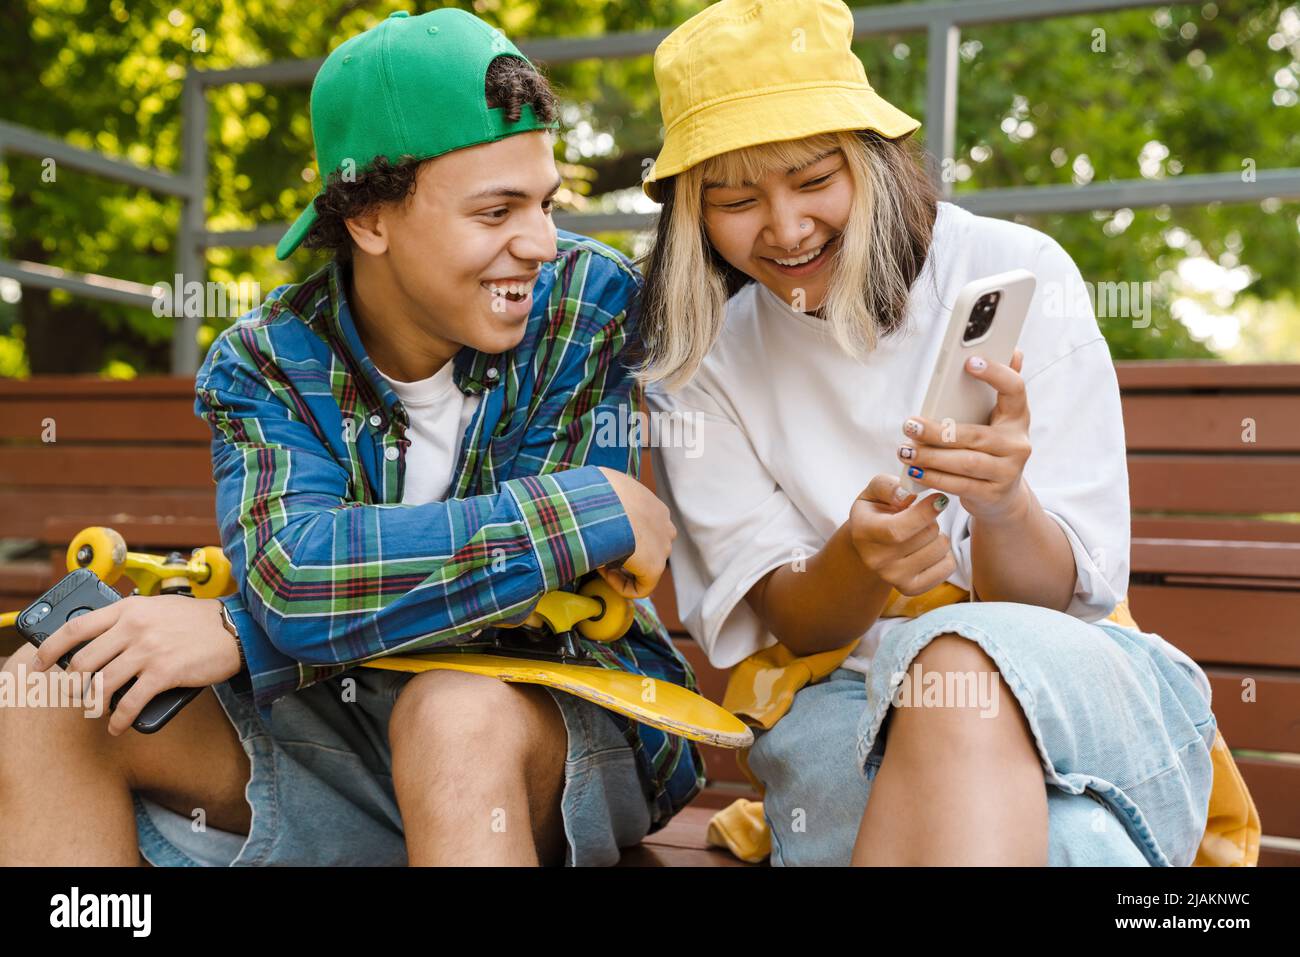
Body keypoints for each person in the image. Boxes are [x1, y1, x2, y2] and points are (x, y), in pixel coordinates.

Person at [0, 7, 701, 867]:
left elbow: (529, 609)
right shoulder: (262, 361)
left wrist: (251, 625)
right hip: (336, 728)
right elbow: (295, 578)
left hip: (550, 722)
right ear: (369, 219)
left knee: (449, 712)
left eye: (545, 202)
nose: (540, 241)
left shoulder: (587, 302)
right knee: (43, 687)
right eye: (495, 212)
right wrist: (582, 505)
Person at [638, 0, 1216, 866]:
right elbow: (795, 623)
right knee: (1075, 846)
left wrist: (1005, 505)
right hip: (847, 703)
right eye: (736, 199)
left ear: (872, 161)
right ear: (692, 211)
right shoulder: (703, 360)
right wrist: (857, 564)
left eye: (813, 180)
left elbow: (1053, 607)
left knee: (955, 661)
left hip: (1076, 690)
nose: (787, 228)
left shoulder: (1016, 272)